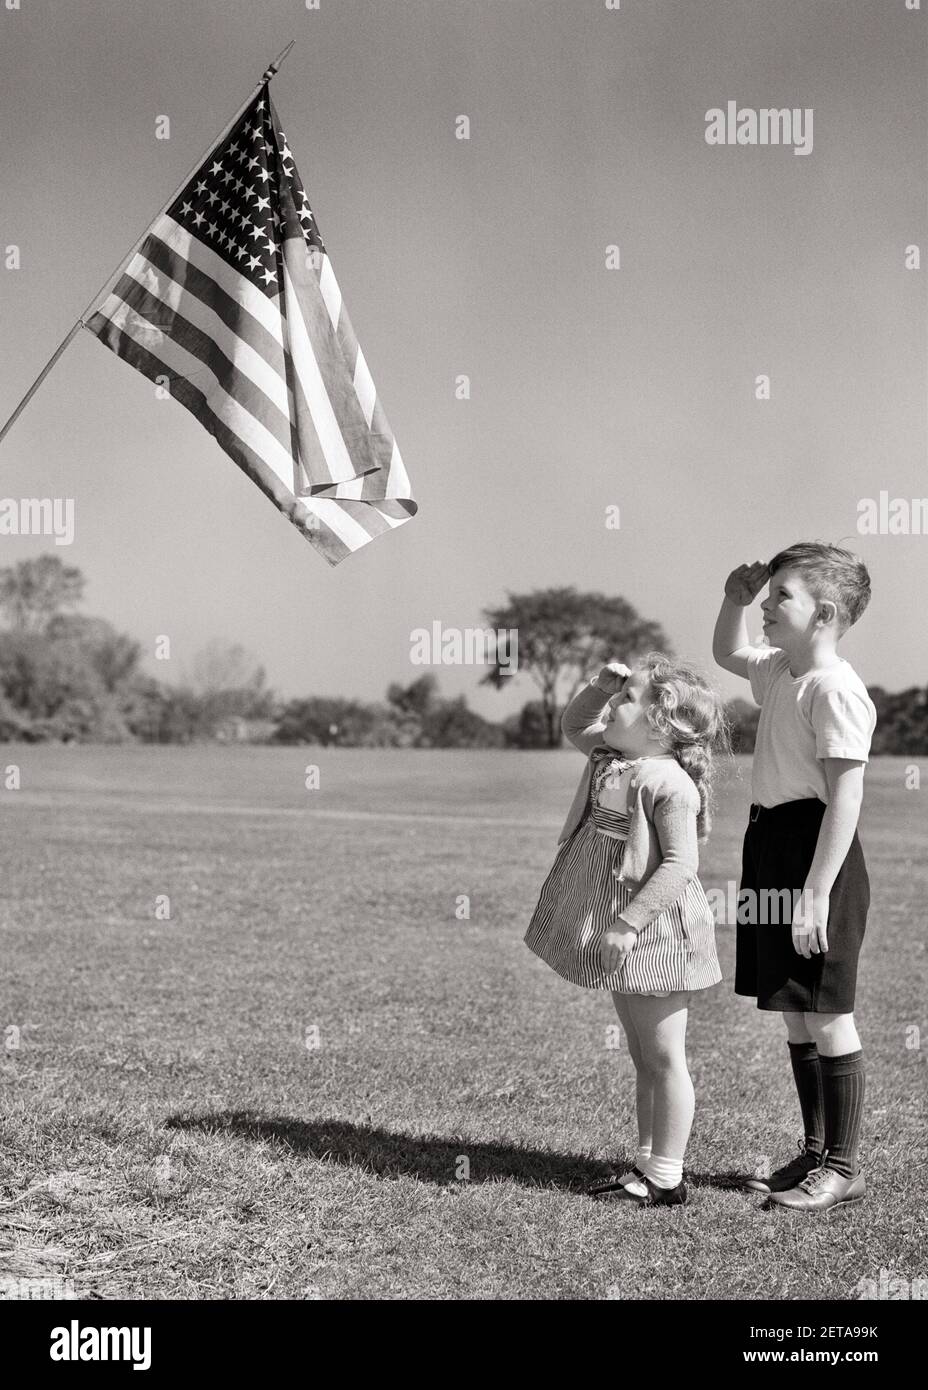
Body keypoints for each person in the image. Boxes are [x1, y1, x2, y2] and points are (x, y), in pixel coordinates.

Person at [524, 652, 729, 1207]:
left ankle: (666, 1177)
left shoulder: (670, 784)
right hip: (626, 937)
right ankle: (645, 1162)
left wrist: (627, 922)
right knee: (643, 1057)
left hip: (657, 936)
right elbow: (574, 724)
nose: (613, 705)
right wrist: (599, 686)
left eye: (626, 698)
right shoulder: (612, 758)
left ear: (662, 723)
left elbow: (680, 866)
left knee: (665, 1060)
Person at [713, 542, 876, 1212]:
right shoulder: (781, 670)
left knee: (830, 1013)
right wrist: (734, 598)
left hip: (819, 856)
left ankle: (841, 1168)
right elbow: (728, 654)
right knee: (796, 1014)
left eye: (782, 595)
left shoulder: (834, 688)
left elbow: (846, 798)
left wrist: (814, 894)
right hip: (771, 846)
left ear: (826, 613)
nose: (767, 605)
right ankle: (812, 1155)